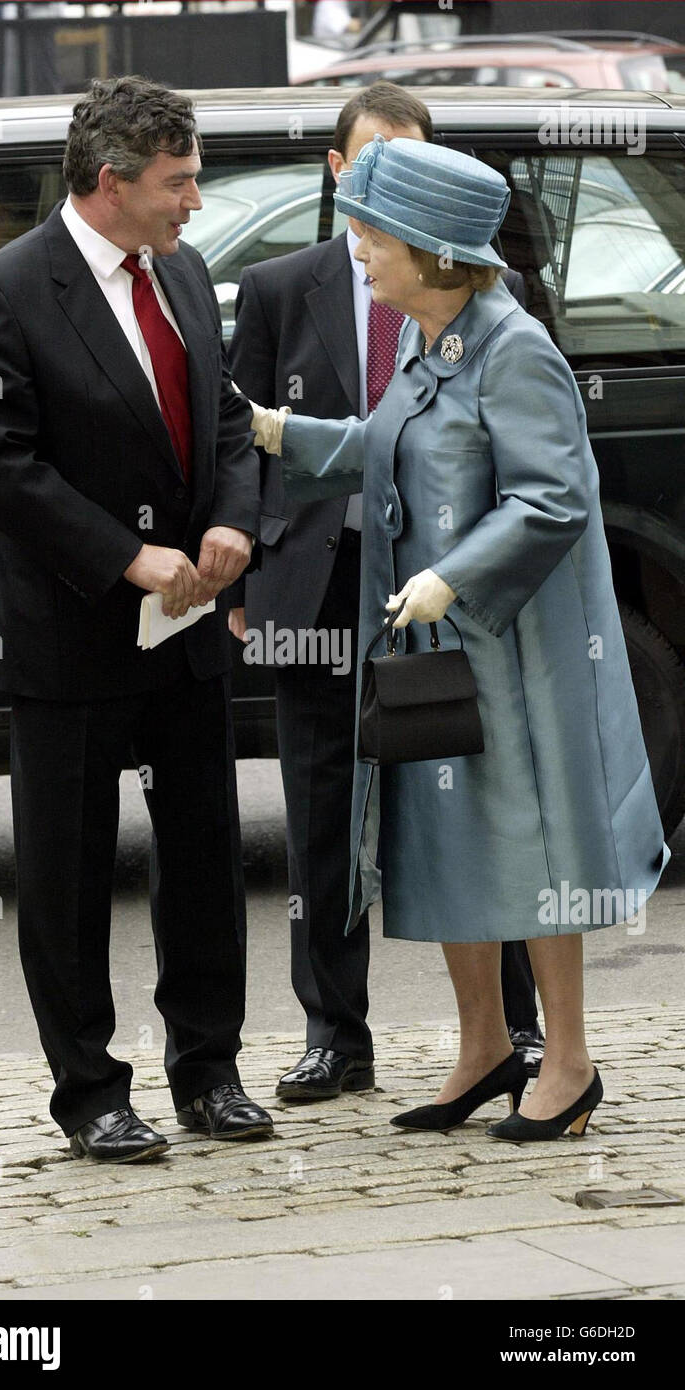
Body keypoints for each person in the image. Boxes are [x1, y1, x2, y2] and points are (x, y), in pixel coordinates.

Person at [250, 134, 670, 1140]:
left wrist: (450, 575)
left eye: (369, 234)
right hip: (433, 656)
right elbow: (384, 446)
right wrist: (279, 434)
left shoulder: (511, 347)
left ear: (429, 247)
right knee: (446, 842)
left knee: (532, 848)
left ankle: (564, 1064)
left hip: (509, 656)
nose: (354, 249)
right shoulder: (420, 337)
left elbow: (554, 497)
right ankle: (483, 1047)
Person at [0, 76, 273, 1160]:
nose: (194, 201)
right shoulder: (2, 290)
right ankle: (89, 1091)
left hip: (185, 628)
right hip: (68, 624)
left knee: (205, 854)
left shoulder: (178, 272)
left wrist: (231, 525)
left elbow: (225, 422)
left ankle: (208, 1069)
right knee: (69, 871)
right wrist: (130, 557)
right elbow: (0, 472)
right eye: (177, 182)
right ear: (109, 182)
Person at [229, 83, 544, 1104]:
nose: (396, 188)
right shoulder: (281, 288)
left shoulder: (489, 302)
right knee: (320, 817)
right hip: (315, 594)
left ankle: (514, 1029)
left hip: (439, 596)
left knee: (473, 799)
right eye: (375, 166)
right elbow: (246, 444)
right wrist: (243, 566)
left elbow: (527, 466)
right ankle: (334, 1034)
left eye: (416, 160)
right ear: (336, 171)